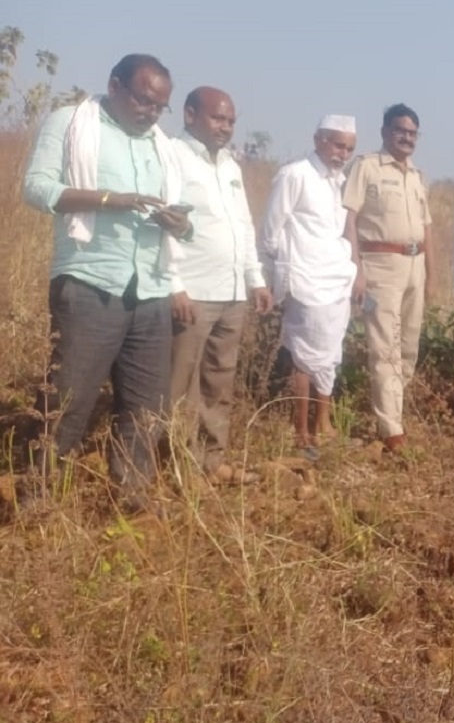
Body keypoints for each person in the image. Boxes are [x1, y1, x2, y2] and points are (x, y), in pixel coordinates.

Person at [22, 53, 192, 505]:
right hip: (90, 282)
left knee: (145, 405)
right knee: (68, 397)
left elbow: (185, 218)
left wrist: (180, 224)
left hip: (150, 289)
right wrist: (109, 199)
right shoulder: (72, 123)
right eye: (144, 100)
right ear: (115, 85)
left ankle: (133, 497)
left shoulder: (162, 145)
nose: (152, 112)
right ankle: (39, 498)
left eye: (160, 106)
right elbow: (36, 188)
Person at [168, 87, 272, 479]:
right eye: (218, 119)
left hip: (231, 293)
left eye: (230, 121)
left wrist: (255, 279)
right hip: (192, 293)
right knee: (183, 385)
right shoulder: (171, 155)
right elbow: (164, 225)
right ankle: (182, 467)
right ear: (190, 114)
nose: (225, 127)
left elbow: (242, 225)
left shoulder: (230, 165)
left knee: (219, 380)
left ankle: (213, 462)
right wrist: (175, 284)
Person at [260, 115, 358, 459]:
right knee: (304, 358)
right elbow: (271, 234)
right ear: (318, 140)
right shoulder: (294, 175)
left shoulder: (338, 181)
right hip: (306, 281)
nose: (342, 153)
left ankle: (324, 426)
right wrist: (272, 281)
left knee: (329, 356)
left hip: (335, 280)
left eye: (349, 147)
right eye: (337, 144)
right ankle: (301, 432)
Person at [342, 104, 431, 452]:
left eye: (412, 133)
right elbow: (349, 221)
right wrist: (356, 270)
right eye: (400, 131)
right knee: (385, 348)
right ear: (384, 132)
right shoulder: (366, 167)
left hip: (415, 267)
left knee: (409, 346)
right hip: (380, 266)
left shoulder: (417, 176)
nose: (406, 138)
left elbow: (426, 229)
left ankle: (393, 408)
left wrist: (430, 275)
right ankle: (391, 427)